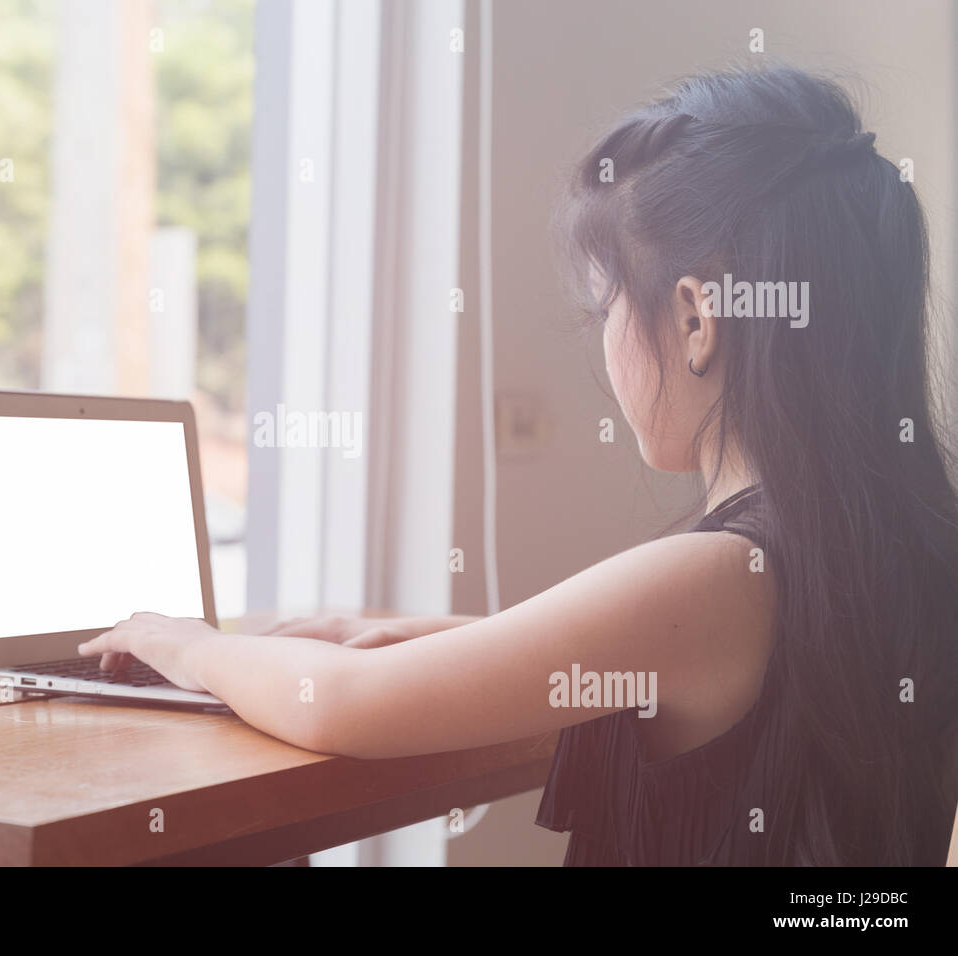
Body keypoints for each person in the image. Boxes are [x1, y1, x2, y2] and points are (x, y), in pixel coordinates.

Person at [79, 66, 958, 866]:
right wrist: (444, 641)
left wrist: (184, 641)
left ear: (698, 320)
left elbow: (339, 703)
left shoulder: (726, 574)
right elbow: (650, 662)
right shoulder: (895, 544)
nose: (605, 343)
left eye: (608, 302)